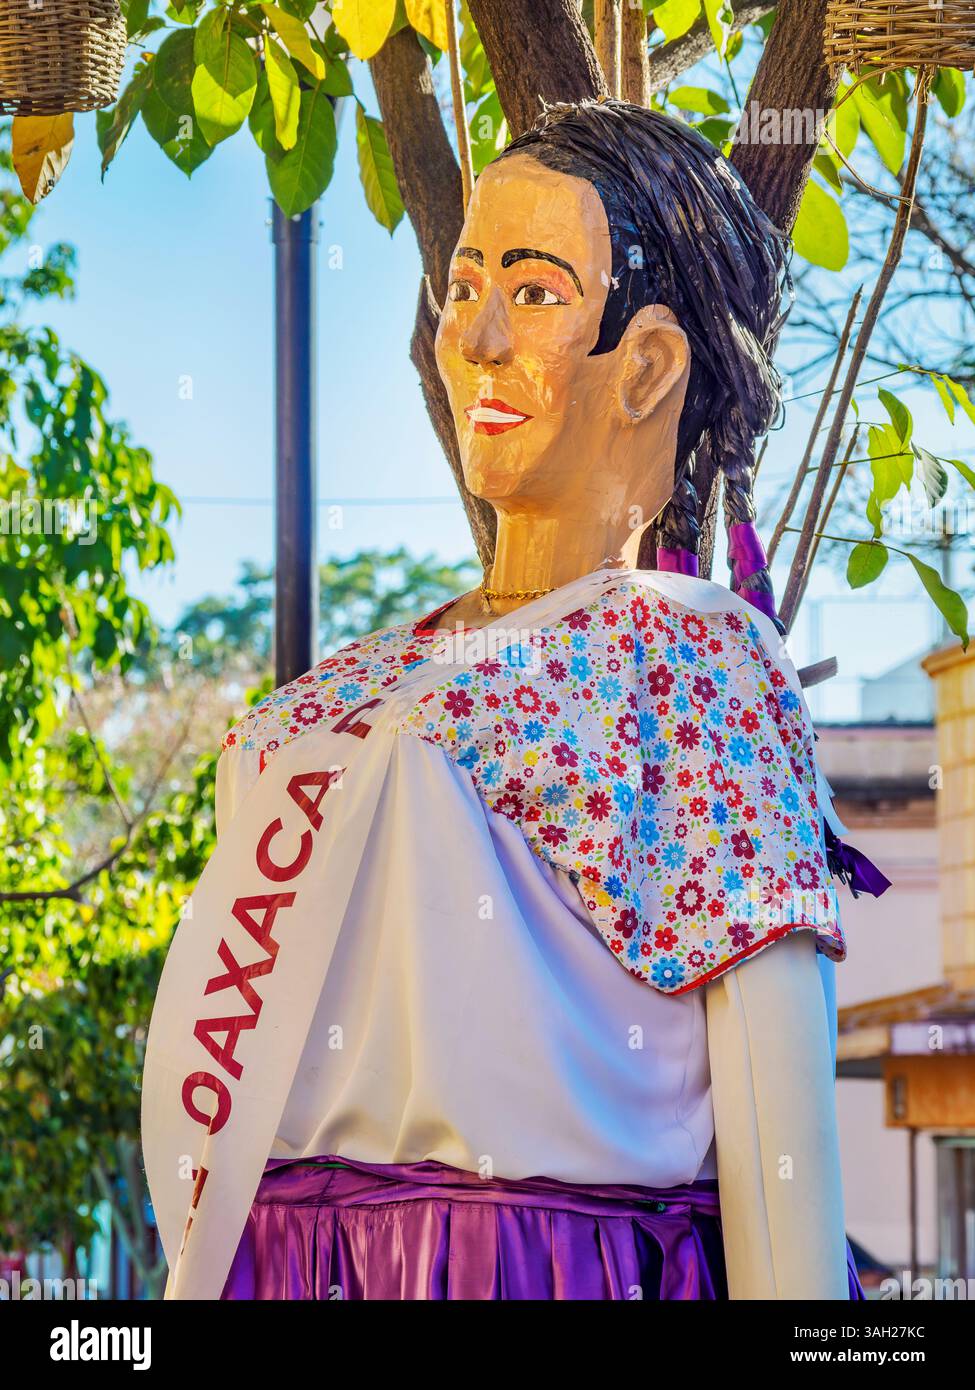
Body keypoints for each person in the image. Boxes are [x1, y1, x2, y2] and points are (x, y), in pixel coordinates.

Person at [143, 100, 873, 1301]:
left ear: (645, 363)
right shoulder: (324, 701)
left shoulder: (696, 669)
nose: (474, 335)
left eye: (533, 293)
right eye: (462, 283)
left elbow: (782, 1157)